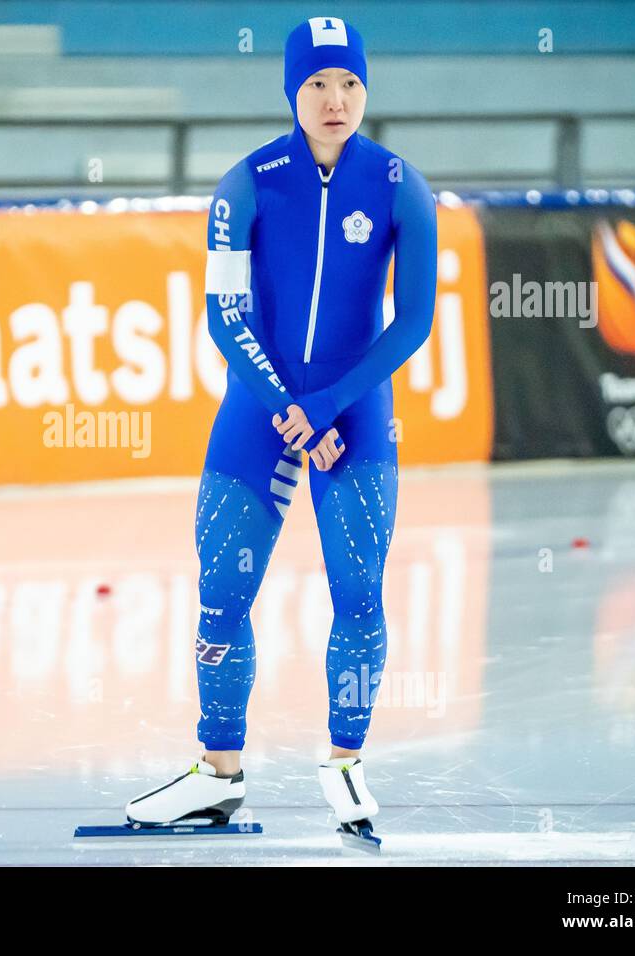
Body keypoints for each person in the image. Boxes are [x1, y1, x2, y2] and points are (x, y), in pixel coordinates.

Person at [126, 15, 437, 839]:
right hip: (261, 411)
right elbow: (226, 317)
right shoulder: (245, 185)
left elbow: (412, 326)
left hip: (354, 414)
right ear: (292, 93)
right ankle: (217, 774)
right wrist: (293, 414)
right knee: (220, 594)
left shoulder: (403, 184)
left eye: (350, 85)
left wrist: (328, 408)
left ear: (366, 89)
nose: (335, 101)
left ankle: (345, 764)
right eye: (317, 85)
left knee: (359, 595)